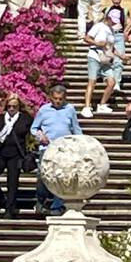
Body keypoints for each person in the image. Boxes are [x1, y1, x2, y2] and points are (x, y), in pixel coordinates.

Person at [30, 84, 82, 216]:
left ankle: (57, 204)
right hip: (47, 148)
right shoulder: (44, 110)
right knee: (43, 176)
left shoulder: (70, 109)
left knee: (63, 176)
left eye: (60, 99)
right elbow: (34, 128)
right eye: (56, 99)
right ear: (50, 98)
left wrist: (81, 143)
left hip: (65, 149)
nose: (58, 101)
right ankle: (41, 200)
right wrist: (40, 136)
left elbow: (76, 128)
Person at [0, 94, 33, 218]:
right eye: (9, 106)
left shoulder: (26, 119)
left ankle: (9, 209)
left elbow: (30, 135)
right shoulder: (0, 118)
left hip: (16, 154)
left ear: (19, 107)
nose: (11, 109)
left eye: (14, 106)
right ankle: (1, 198)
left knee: (12, 182)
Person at [81, 11, 125, 117]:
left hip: (106, 59)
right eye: (113, 21)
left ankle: (102, 104)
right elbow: (87, 38)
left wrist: (122, 56)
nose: (114, 23)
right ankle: (86, 106)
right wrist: (97, 43)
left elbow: (111, 46)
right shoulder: (99, 26)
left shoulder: (111, 30)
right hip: (95, 56)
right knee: (92, 81)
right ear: (108, 18)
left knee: (111, 82)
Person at [103, 0, 130, 88]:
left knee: (119, 59)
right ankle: (108, 79)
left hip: (119, 36)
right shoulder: (107, 10)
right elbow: (103, 21)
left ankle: (117, 82)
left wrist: (128, 34)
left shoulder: (125, 11)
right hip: (109, 35)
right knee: (108, 58)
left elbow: (127, 23)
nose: (116, 1)